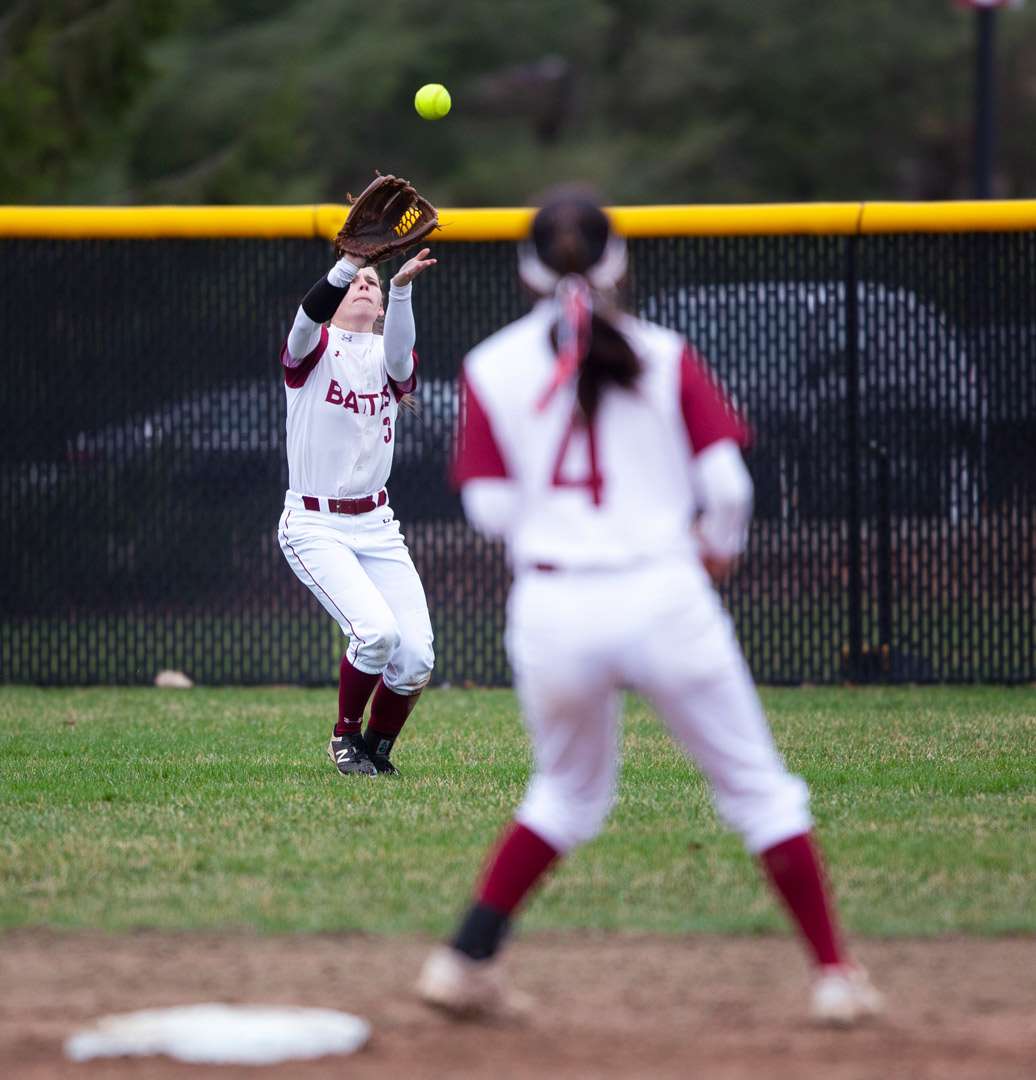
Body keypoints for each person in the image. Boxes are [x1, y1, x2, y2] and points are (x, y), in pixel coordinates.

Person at [415, 189, 883, 1024]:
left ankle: (463, 963)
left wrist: (558, 529)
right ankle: (835, 976)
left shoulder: (490, 365)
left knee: (564, 796)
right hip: (663, 593)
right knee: (759, 792)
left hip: (554, 604)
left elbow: (488, 510)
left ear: (524, 269)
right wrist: (716, 549)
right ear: (617, 261)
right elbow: (729, 487)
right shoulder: (663, 354)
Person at [277, 243, 438, 777]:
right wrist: (347, 264)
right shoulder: (313, 347)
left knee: (415, 658)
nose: (364, 284)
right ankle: (343, 737)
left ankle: (377, 746)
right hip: (314, 522)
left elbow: (398, 356)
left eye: (372, 281)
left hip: (376, 523)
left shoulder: (389, 358)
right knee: (375, 633)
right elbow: (305, 318)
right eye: (355, 282)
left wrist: (401, 287)